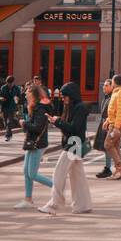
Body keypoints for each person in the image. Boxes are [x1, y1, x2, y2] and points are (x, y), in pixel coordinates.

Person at [41, 82, 92, 215]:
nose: (63, 99)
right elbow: (70, 127)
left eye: (65, 96)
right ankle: (83, 205)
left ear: (71, 95)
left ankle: (54, 204)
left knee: (58, 174)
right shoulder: (72, 107)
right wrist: (56, 121)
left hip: (73, 145)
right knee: (77, 177)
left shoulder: (79, 108)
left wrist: (57, 122)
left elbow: (73, 128)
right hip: (74, 144)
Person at [16, 83, 54, 209]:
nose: (25, 94)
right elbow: (33, 126)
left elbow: (37, 127)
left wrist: (24, 124)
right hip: (32, 142)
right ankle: (28, 199)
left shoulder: (40, 109)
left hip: (38, 143)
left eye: (27, 92)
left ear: (33, 95)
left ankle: (56, 187)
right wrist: (25, 124)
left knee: (32, 174)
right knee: (26, 172)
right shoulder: (35, 107)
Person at [94, 79, 121, 179]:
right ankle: (119, 170)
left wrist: (116, 128)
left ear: (114, 83)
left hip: (115, 125)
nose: (103, 87)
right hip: (110, 123)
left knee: (108, 145)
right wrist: (107, 121)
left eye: (107, 85)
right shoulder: (115, 93)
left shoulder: (120, 93)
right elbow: (112, 111)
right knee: (115, 145)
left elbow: (119, 112)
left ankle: (119, 166)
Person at [0, 75, 22, 142]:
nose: (9, 84)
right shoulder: (3, 87)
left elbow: (19, 97)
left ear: (13, 82)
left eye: (11, 83)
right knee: (5, 122)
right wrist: (1, 98)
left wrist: (17, 99)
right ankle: (9, 134)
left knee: (9, 122)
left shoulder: (17, 88)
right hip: (5, 106)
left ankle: (7, 136)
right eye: (8, 83)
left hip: (12, 107)